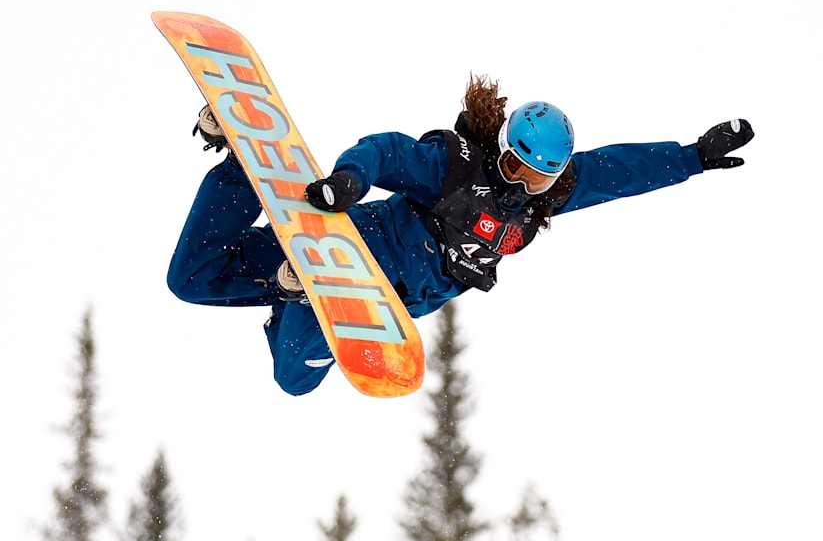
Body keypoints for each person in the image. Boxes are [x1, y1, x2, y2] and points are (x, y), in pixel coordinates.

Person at [167, 76, 755, 395]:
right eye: (513, 163)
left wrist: (692, 158)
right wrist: (350, 179)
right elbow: (389, 151)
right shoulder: (458, 166)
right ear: (501, 147)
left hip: (379, 301)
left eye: (536, 174)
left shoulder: (543, 201)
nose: (519, 181)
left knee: (293, 379)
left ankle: (294, 288)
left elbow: (617, 171)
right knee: (188, 279)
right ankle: (243, 170)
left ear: (551, 175)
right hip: (365, 239)